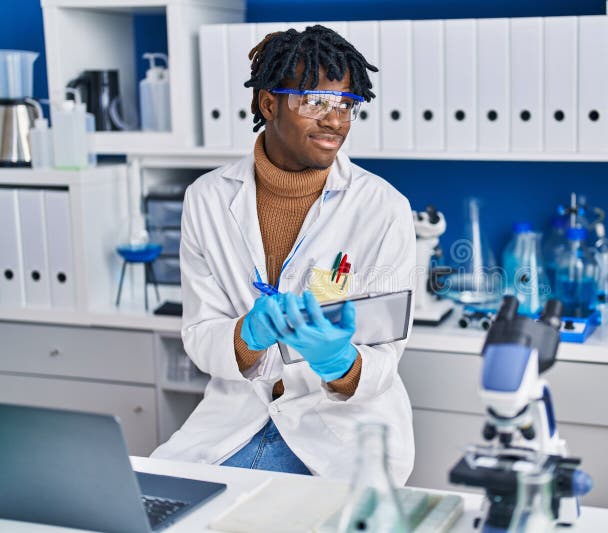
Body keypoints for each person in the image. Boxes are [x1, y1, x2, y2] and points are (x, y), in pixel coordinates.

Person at [151, 25, 416, 483]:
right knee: (157, 502)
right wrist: (245, 337)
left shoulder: (383, 208)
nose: (335, 121)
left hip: (338, 432)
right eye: (314, 101)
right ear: (268, 103)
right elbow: (199, 334)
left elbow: (386, 354)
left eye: (346, 105)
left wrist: (340, 362)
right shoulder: (208, 198)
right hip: (236, 417)